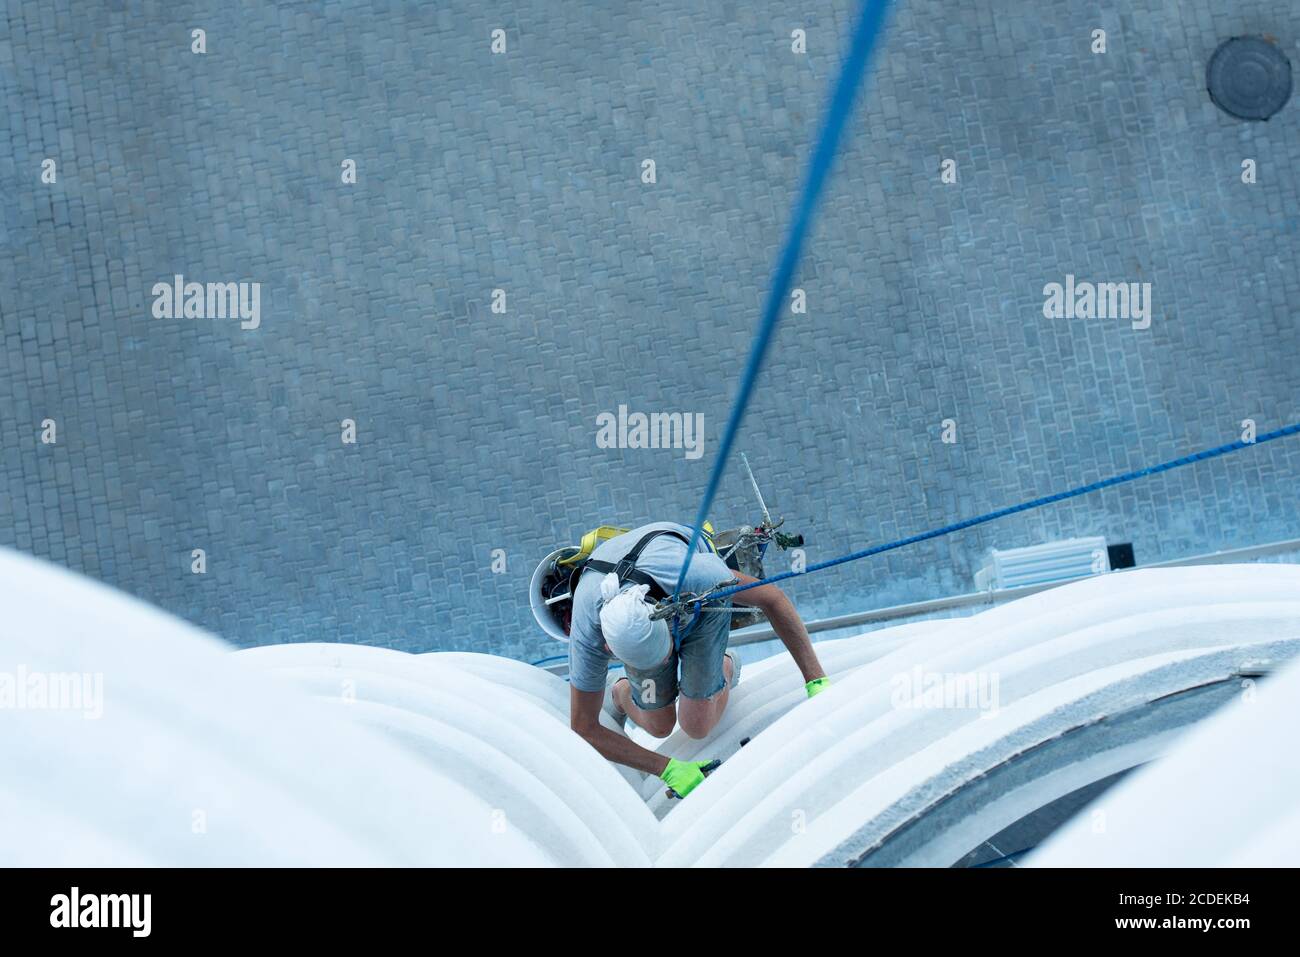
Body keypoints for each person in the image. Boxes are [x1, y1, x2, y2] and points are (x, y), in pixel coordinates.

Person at [566, 521, 830, 798]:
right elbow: (583, 727)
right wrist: (666, 769)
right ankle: (621, 691)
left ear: (664, 622)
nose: (668, 658)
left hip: (697, 605)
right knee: (659, 726)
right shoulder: (587, 629)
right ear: (608, 647)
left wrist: (816, 680)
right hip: (630, 586)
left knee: (697, 725)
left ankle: (725, 665)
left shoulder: (703, 576)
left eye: (664, 652)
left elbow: (772, 598)